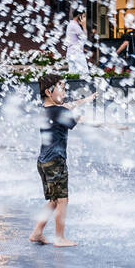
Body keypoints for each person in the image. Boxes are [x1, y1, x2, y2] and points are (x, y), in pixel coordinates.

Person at [30, 71, 96, 247]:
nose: (65, 93)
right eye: (62, 89)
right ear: (49, 92)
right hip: (56, 161)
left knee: (53, 200)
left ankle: (37, 232)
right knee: (62, 200)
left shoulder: (47, 110)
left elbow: (67, 106)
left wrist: (86, 100)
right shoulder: (59, 111)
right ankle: (59, 237)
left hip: (43, 161)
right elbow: (78, 118)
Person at [65, 7, 89, 75]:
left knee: (73, 75)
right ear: (79, 16)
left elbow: (75, 40)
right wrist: (84, 26)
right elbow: (84, 39)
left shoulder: (71, 24)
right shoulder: (75, 26)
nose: (84, 19)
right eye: (83, 16)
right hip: (76, 54)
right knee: (85, 74)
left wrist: (83, 48)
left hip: (71, 53)